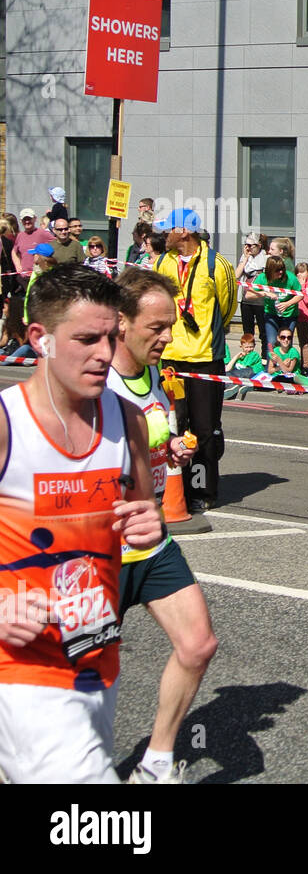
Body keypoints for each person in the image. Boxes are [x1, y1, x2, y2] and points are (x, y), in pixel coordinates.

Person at [0, 265, 164, 783]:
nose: (103, 353)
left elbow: (143, 514)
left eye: (111, 337)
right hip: (20, 670)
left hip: (97, 658)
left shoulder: (128, 420)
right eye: (86, 339)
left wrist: (150, 521)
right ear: (40, 340)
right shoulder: (7, 425)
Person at [107, 267, 218, 783]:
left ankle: (155, 763)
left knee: (197, 645)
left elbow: (156, 429)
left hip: (150, 541)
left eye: (171, 325)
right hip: (98, 549)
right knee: (82, 680)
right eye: (156, 327)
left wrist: (169, 447)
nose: (168, 337)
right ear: (120, 323)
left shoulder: (153, 374)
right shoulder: (94, 379)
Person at [152, 209, 235, 514]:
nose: (164, 236)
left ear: (184, 232)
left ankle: (202, 490)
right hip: (171, 359)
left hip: (204, 359)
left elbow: (226, 309)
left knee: (204, 428)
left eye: (168, 230)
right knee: (173, 425)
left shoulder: (217, 265)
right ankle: (174, 487)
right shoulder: (163, 262)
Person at [248, 255, 301, 347]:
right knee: (272, 343)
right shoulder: (262, 278)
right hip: (271, 314)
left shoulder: (290, 277)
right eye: (277, 270)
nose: (280, 272)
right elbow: (248, 295)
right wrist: (265, 293)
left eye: (282, 269)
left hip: (289, 314)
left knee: (286, 343)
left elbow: (300, 295)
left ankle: (288, 361)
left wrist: (287, 304)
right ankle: (272, 361)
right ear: (270, 270)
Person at [234, 233, 270, 356]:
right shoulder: (245, 257)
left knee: (264, 331)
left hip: (260, 300)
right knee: (247, 331)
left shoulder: (266, 257)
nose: (248, 248)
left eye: (251, 245)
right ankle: (248, 355)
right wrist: (245, 258)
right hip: (246, 300)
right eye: (246, 245)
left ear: (259, 246)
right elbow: (237, 275)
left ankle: (265, 356)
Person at [224, 333, 264, 400]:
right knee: (226, 374)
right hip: (242, 375)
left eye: (251, 347)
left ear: (254, 346)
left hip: (253, 373)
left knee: (239, 372)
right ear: (241, 347)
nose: (249, 349)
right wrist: (236, 357)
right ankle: (237, 386)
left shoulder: (254, 354)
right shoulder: (240, 357)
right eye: (246, 347)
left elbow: (244, 367)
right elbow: (228, 369)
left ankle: (234, 386)